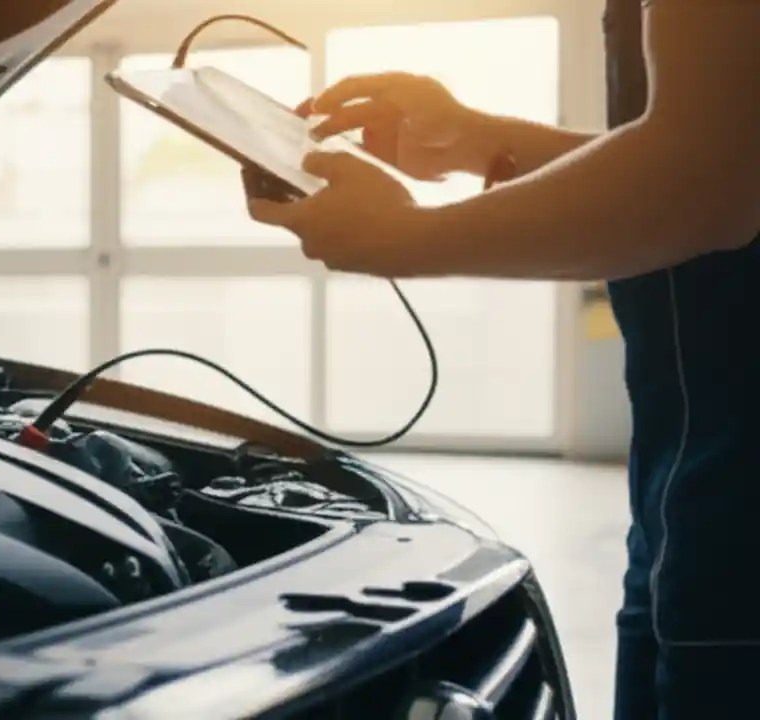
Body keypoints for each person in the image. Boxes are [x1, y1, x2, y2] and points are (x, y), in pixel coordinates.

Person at [242, 0, 759, 718]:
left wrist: (404, 237)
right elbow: (708, 135)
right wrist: (482, 144)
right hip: (682, 491)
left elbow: (707, 177)